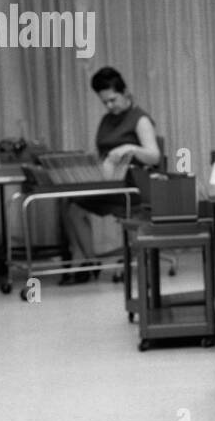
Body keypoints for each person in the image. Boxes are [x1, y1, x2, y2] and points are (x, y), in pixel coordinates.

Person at [61, 66, 162, 283]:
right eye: (104, 102)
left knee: (129, 212)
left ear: (125, 93)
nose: (109, 106)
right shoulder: (107, 119)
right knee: (73, 208)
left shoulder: (140, 119)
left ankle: (134, 259)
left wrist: (130, 148)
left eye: (113, 100)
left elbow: (154, 156)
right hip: (109, 183)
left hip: (132, 187)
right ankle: (91, 261)